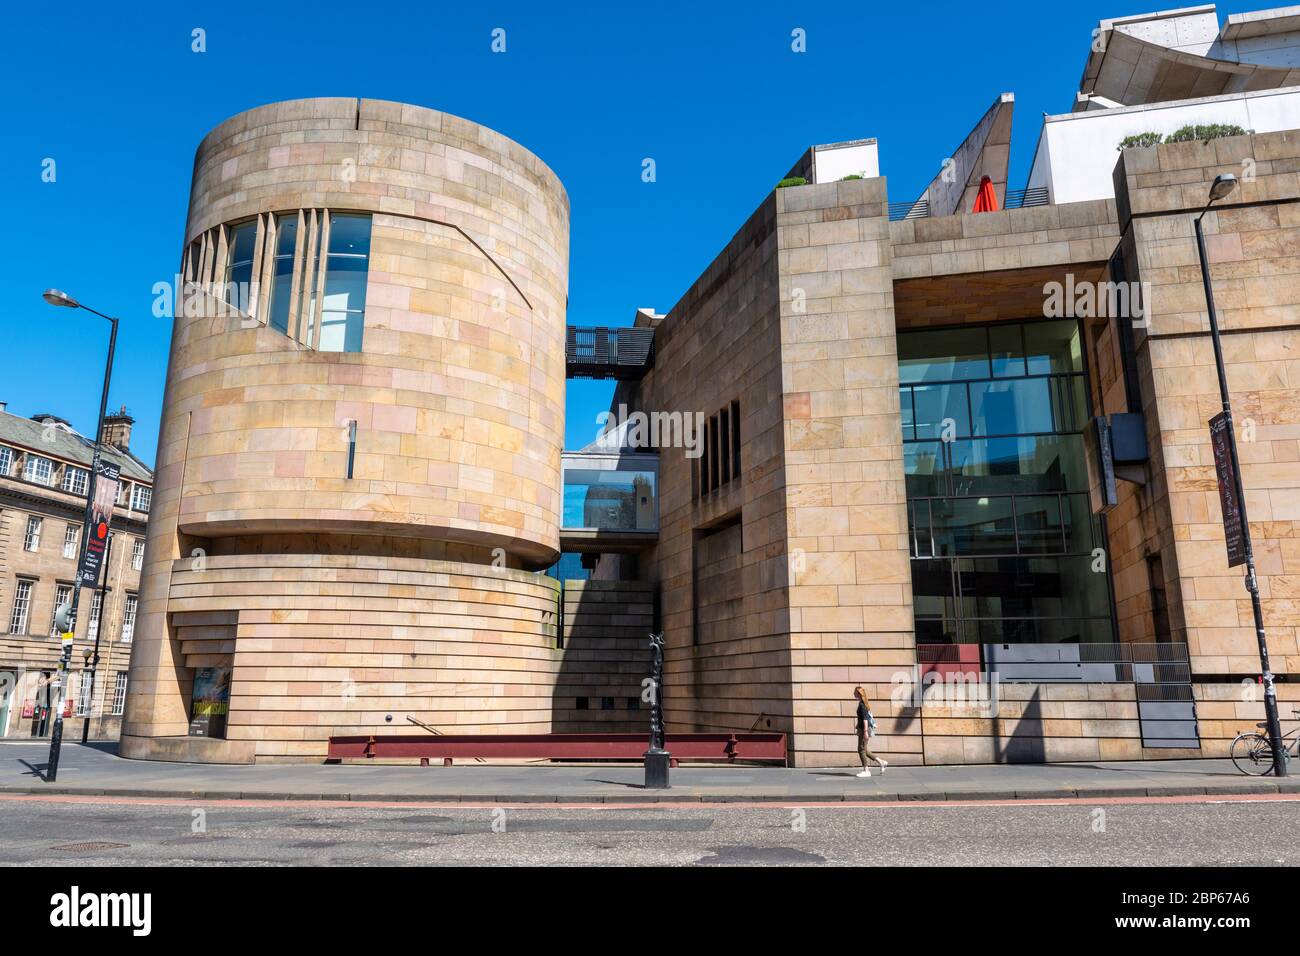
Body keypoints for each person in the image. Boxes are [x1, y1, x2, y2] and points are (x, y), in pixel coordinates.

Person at [853, 686, 887, 778]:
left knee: (861, 750)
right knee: (864, 750)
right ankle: (881, 762)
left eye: (855, 692)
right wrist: (858, 728)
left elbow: (865, 719)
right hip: (862, 729)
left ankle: (866, 770)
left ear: (859, 694)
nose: (853, 694)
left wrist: (865, 732)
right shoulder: (863, 703)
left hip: (864, 729)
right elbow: (862, 719)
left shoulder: (862, 705)